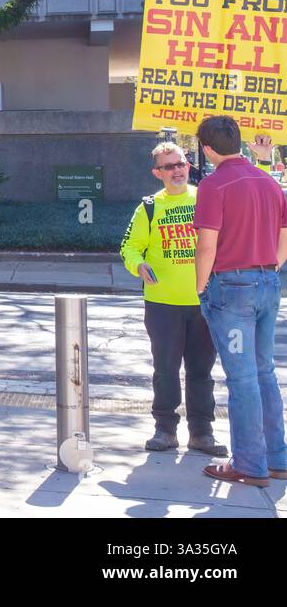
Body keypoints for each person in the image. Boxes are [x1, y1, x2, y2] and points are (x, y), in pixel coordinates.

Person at [192, 116, 287, 486]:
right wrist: (269, 268)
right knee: (264, 372)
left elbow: (206, 245)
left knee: (242, 378)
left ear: (206, 148)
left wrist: (201, 287)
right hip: (268, 280)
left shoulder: (214, 185)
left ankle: (248, 463)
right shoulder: (268, 182)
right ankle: (277, 457)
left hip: (231, 287)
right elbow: (284, 237)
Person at [119, 141, 225, 456]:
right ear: (157, 172)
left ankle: (202, 433)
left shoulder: (206, 197)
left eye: (181, 163)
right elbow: (129, 247)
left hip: (204, 301)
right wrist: (138, 264)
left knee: (201, 372)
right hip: (163, 304)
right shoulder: (148, 207)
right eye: (169, 166)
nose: (177, 170)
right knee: (165, 369)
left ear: (188, 165)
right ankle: (165, 429)